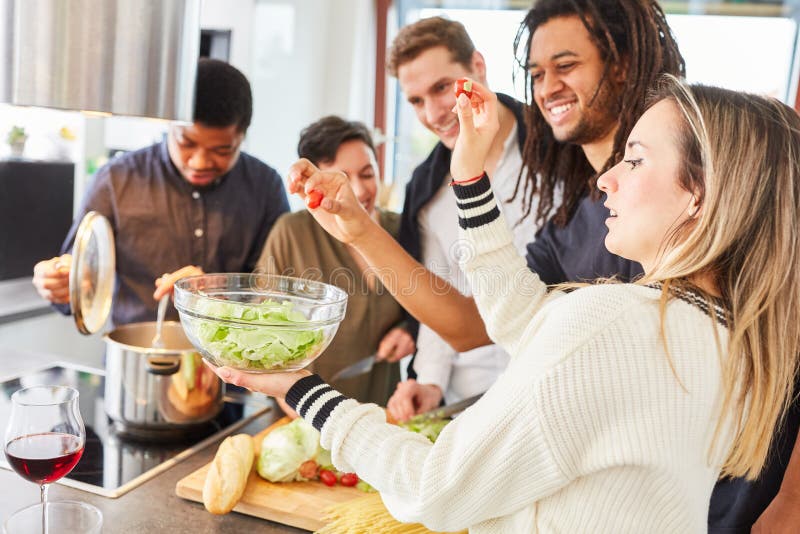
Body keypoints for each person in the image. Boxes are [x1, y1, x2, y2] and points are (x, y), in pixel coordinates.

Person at [210, 77, 800, 532]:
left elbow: (433, 488)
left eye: (637, 159)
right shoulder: (731, 337)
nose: (606, 180)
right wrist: (470, 176)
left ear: (700, 194)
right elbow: (522, 318)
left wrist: (298, 389)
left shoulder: (616, 324)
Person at [31, 58, 289, 326]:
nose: (199, 162)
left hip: (233, 359)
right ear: (168, 125)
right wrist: (60, 284)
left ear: (242, 136)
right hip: (135, 355)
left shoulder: (265, 185)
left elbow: (280, 292)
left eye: (222, 150)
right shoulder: (116, 180)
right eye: (186, 142)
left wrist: (219, 290)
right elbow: (80, 275)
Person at [386, 17, 542, 419]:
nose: (434, 113)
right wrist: (430, 382)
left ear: (478, 66)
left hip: (549, 391)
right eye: (416, 101)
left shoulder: (556, 153)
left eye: (442, 88)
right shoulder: (427, 191)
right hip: (466, 405)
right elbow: (442, 294)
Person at [255, 116, 413, 405]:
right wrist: (310, 419)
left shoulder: (402, 231)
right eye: (342, 179)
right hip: (308, 414)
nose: (361, 191)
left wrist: (409, 330)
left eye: (367, 174)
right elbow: (265, 336)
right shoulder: (292, 233)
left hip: (385, 414)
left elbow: (425, 307)